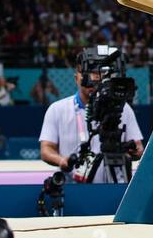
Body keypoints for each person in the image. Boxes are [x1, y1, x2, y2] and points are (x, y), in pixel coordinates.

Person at [39, 47, 144, 183]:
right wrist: (62, 160)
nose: (93, 78)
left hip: (114, 186)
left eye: (96, 73)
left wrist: (136, 151)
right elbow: (46, 149)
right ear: (76, 77)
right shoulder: (57, 109)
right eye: (86, 74)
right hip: (73, 186)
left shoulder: (122, 107)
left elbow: (138, 146)